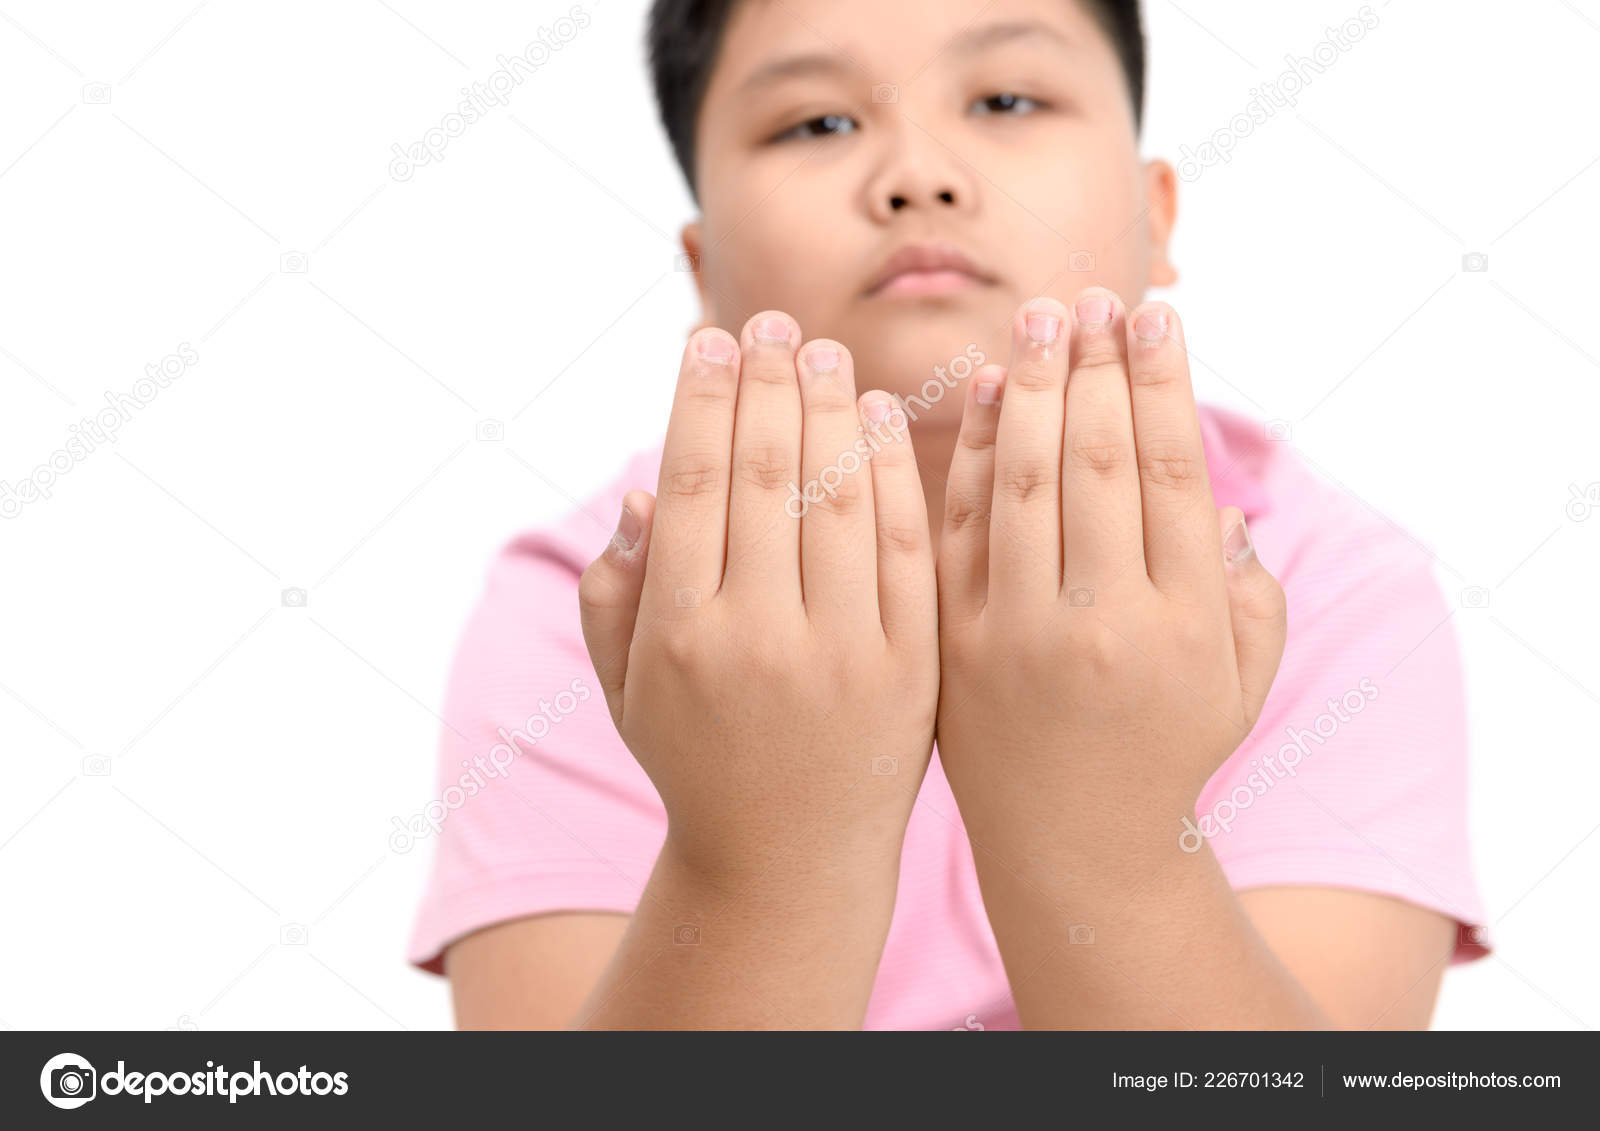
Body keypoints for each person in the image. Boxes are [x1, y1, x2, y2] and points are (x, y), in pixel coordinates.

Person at [408, 0, 1489, 1029]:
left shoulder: (1324, 584)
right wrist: (761, 850)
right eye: (817, 122)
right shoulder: (590, 609)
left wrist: (1102, 836)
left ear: (1155, 215)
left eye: (1008, 103)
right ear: (702, 267)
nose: (917, 177)